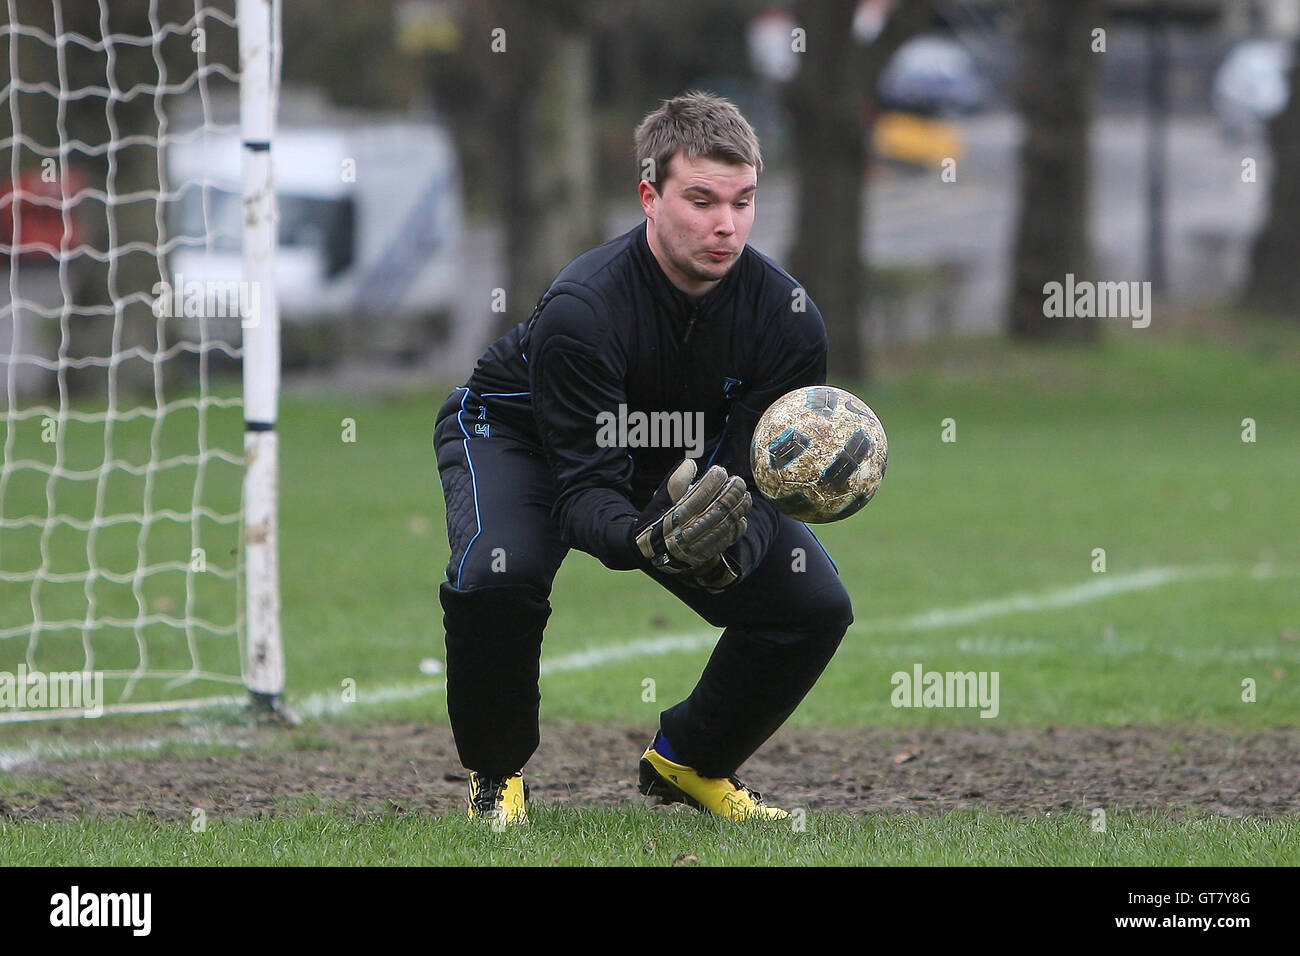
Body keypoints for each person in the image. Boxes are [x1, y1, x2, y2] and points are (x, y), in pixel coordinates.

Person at [434, 91, 853, 824]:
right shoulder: (583, 313)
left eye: (744, 200)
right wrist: (645, 540)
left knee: (813, 606)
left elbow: (744, 477)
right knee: (497, 577)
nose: (726, 224)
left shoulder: (788, 324)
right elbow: (585, 489)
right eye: (701, 199)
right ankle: (495, 774)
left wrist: (729, 550)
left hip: (673, 455)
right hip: (525, 438)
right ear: (649, 196)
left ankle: (690, 762)